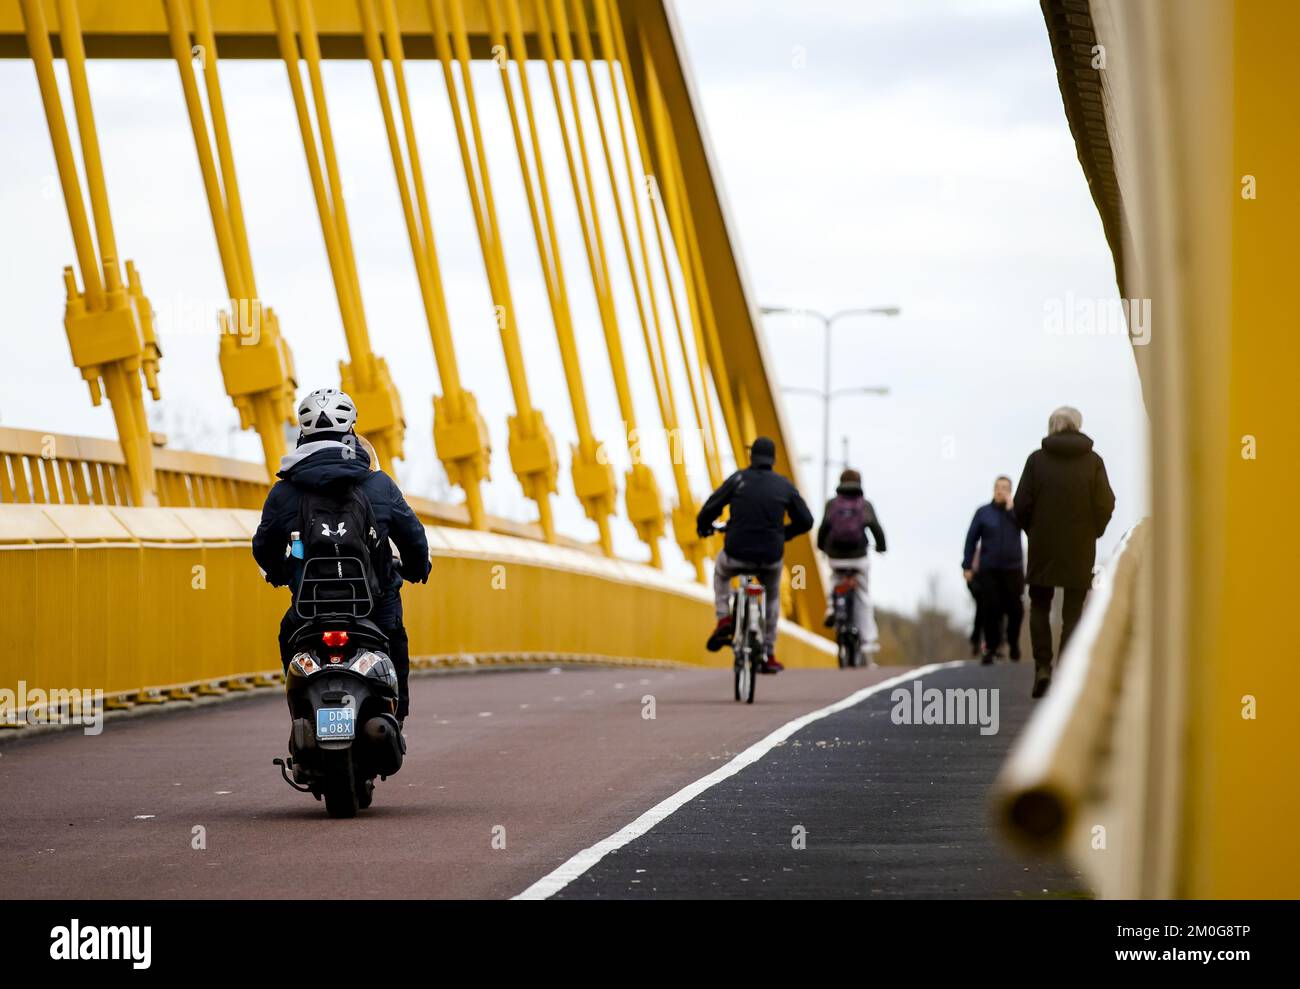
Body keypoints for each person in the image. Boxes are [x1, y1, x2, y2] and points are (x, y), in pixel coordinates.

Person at [252, 388, 431, 726]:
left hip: (312, 608)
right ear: (351, 430)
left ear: (302, 434)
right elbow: (413, 537)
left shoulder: (286, 490)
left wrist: (279, 572)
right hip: (373, 606)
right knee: (393, 638)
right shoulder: (379, 485)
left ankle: (299, 714)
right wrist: (417, 568)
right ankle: (396, 717)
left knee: (287, 634)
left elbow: (263, 547)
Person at [1013, 406, 1116, 698]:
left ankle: (1043, 668)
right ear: (1078, 425)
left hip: (1043, 545)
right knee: (1073, 609)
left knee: (1040, 604)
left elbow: (1020, 504)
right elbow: (1106, 503)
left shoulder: (1036, 460)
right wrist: (1094, 531)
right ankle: (1067, 670)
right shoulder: (1093, 461)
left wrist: (1032, 531)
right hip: (1080, 546)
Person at [696, 436, 813, 673]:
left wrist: (704, 527)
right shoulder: (784, 486)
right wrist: (784, 534)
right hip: (770, 557)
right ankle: (769, 652)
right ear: (773, 459)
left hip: (736, 552)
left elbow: (711, 507)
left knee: (721, 571)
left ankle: (723, 619)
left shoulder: (739, 480)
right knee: (771, 596)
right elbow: (806, 521)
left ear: (752, 457)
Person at [816, 468, 887, 661]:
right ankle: (868, 641)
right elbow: (876, 530)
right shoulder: (864, 505)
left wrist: (822, 547)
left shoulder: (832, 504)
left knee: (835, 579)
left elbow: (823, 529)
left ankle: (832, 606)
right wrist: (881, 547)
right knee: (862, 594)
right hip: (858, 557)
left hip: (835, 556)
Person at [962, 475, 1024, 665]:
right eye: (998, 487)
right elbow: (971, 539)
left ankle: (1013, 642)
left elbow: (1027, 527)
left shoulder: (1017, 513)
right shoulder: (983, 512)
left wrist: (1012, 510)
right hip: (989, 570)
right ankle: (990, 647)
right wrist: (967, 565)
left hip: (1013, 569)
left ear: (1010, 491)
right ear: (993, 489)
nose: (1001, 491)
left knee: (1016, 610)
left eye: (1005, 488)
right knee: (991, 610)